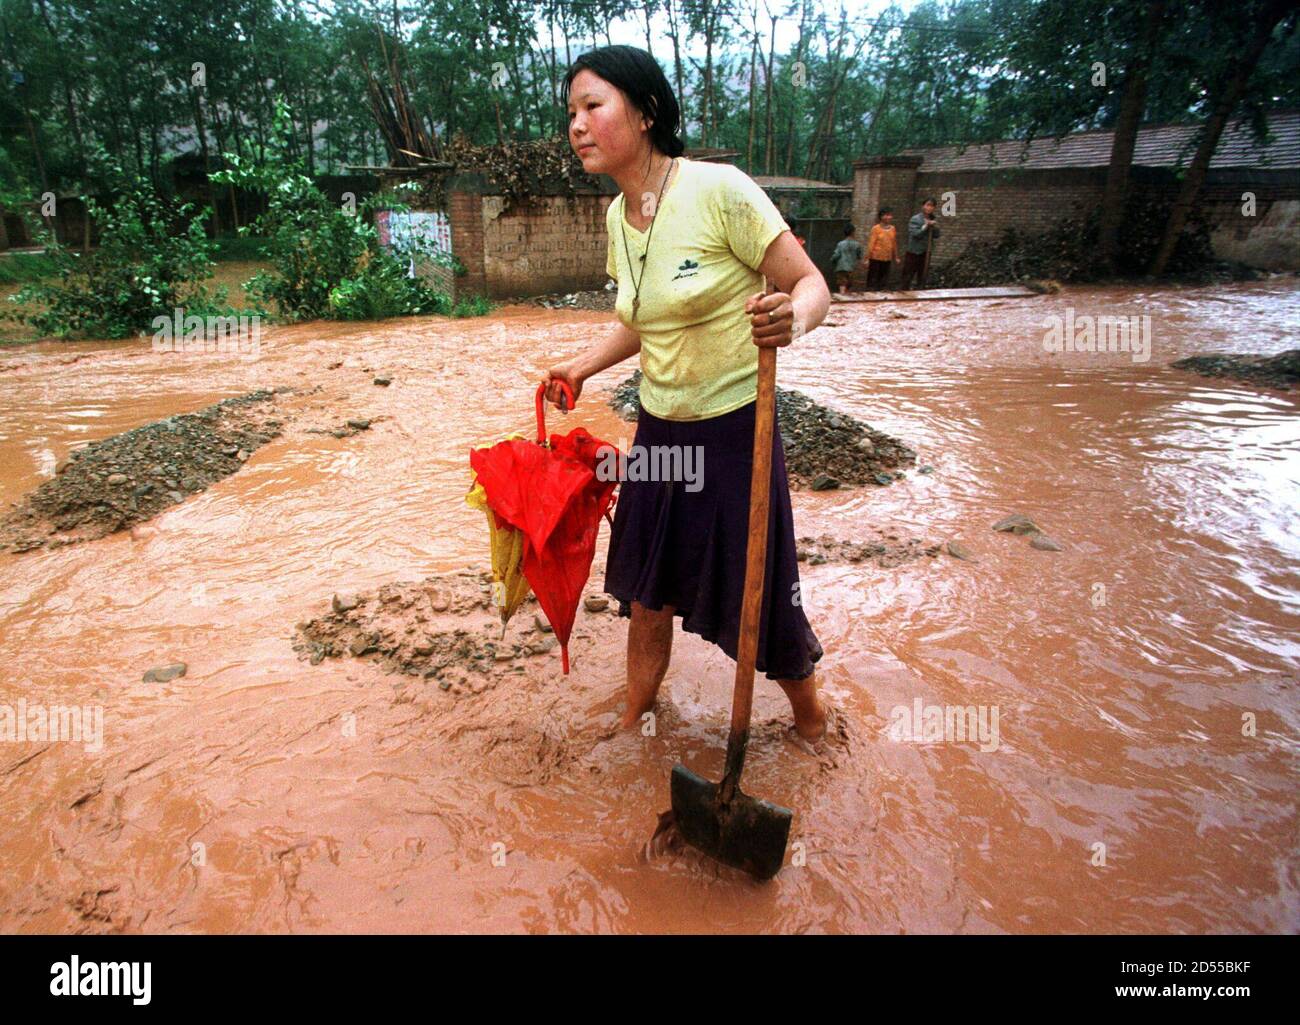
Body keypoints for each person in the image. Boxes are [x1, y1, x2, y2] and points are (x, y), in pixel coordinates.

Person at [546, 45, 829, 741]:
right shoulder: (619, 219)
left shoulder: (718, 190)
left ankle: (812, 719)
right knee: (647, 589)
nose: (577, 125)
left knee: (756, 593)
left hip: (736, 433)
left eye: (593, 106)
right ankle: (636, 711)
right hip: (660, 433)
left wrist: (793, 318)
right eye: (571, 112)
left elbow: (811, 283)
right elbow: (639, 322)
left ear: (644, 113)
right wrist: (583, 367)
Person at [899, 198, 940, 290]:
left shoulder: (933, 219)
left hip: (926, 252)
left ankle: (920, 291)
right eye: (927, 205)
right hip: (914, 252)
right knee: (908, 275)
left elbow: (937, 235)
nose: (929, 208)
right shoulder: (915, 219)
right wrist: (926, 226)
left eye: (932, 206)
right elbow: (916, 234)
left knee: (922, 275)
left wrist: (934, 227)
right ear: (923, 206)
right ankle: (903, 292)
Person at [865, 207, 898, 289]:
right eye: (886, 215)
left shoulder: (893, 229)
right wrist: (867, 258)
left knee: (883, 279)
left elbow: (894, 243)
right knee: (873, 278)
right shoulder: (876, 229)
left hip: (887, 258)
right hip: (876, 258)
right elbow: (871, 244)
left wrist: (896, 256)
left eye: (890, 215)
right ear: (881, 217)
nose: (888, 217)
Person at [830, 224, 864, 294]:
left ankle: (842, 295)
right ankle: (847, 296)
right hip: (851, 267)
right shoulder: (857, 244)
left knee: (842, 283)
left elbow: (836, 255)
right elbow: (859, 255)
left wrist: (832, 260)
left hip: (841, 267)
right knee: (849, 283)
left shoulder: (840, 244)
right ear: (853, 232)